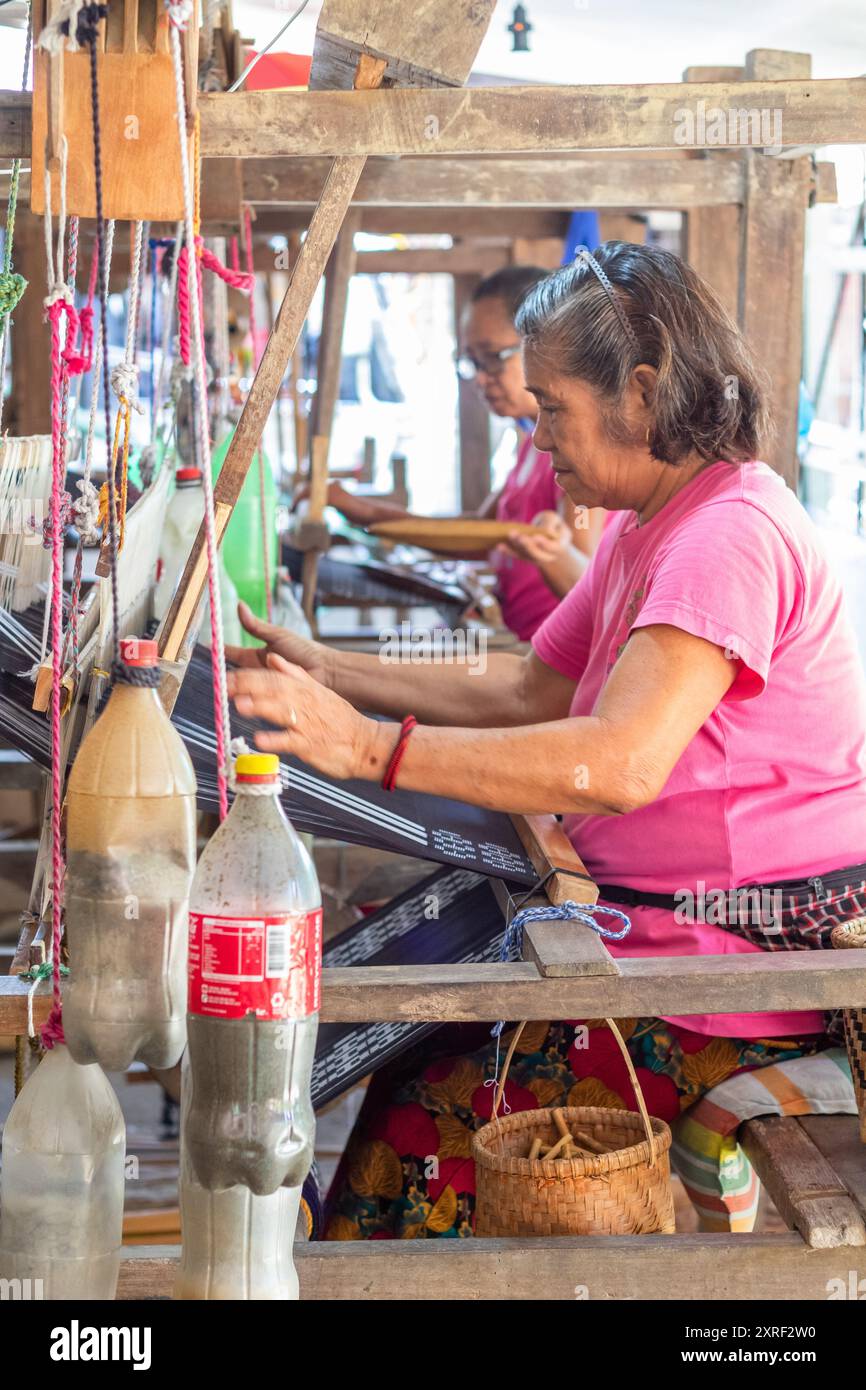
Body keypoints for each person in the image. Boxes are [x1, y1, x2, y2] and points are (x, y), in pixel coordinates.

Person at [226, 241, 866, 1237]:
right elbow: (525, 685)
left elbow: (614, 764)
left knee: (427, 1114)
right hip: (643, 943)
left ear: (642, 393)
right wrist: (325, 674)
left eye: (552, 406)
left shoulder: (724, 535)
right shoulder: (643, 522)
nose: (536, 436)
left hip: (724, 983)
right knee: (405, 1059)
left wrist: (364, 749)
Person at [307, 265, 606, 640]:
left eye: (493, 356)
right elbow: (481, 534)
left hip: (550, 656)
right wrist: (368, 513)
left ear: (544, 346)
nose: (480, 378)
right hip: (521, 639)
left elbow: (588, 586)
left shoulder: (576, 449)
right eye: (473, 362)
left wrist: (550, 552)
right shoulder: (532, 441)